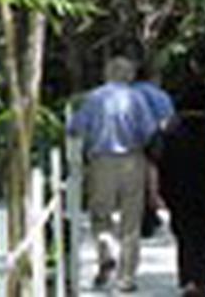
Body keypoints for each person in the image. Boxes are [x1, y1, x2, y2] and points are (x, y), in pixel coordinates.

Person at [66, 54, 164, 291]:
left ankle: (106, 252)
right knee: (131, 221)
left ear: (107, 73)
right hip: (133, 161)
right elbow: (149, 131)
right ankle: (126, 278)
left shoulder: (94, 98)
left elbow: (74, 128)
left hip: (101, 162)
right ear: (129, 76)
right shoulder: (136, 98)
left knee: (100, 214)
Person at [149, 77, 205, 296]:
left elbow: (154, 154)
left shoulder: (171, 127)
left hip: (178, 189)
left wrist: (156, 189)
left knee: (184, 233)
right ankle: (203, 279)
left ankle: (188, 278)